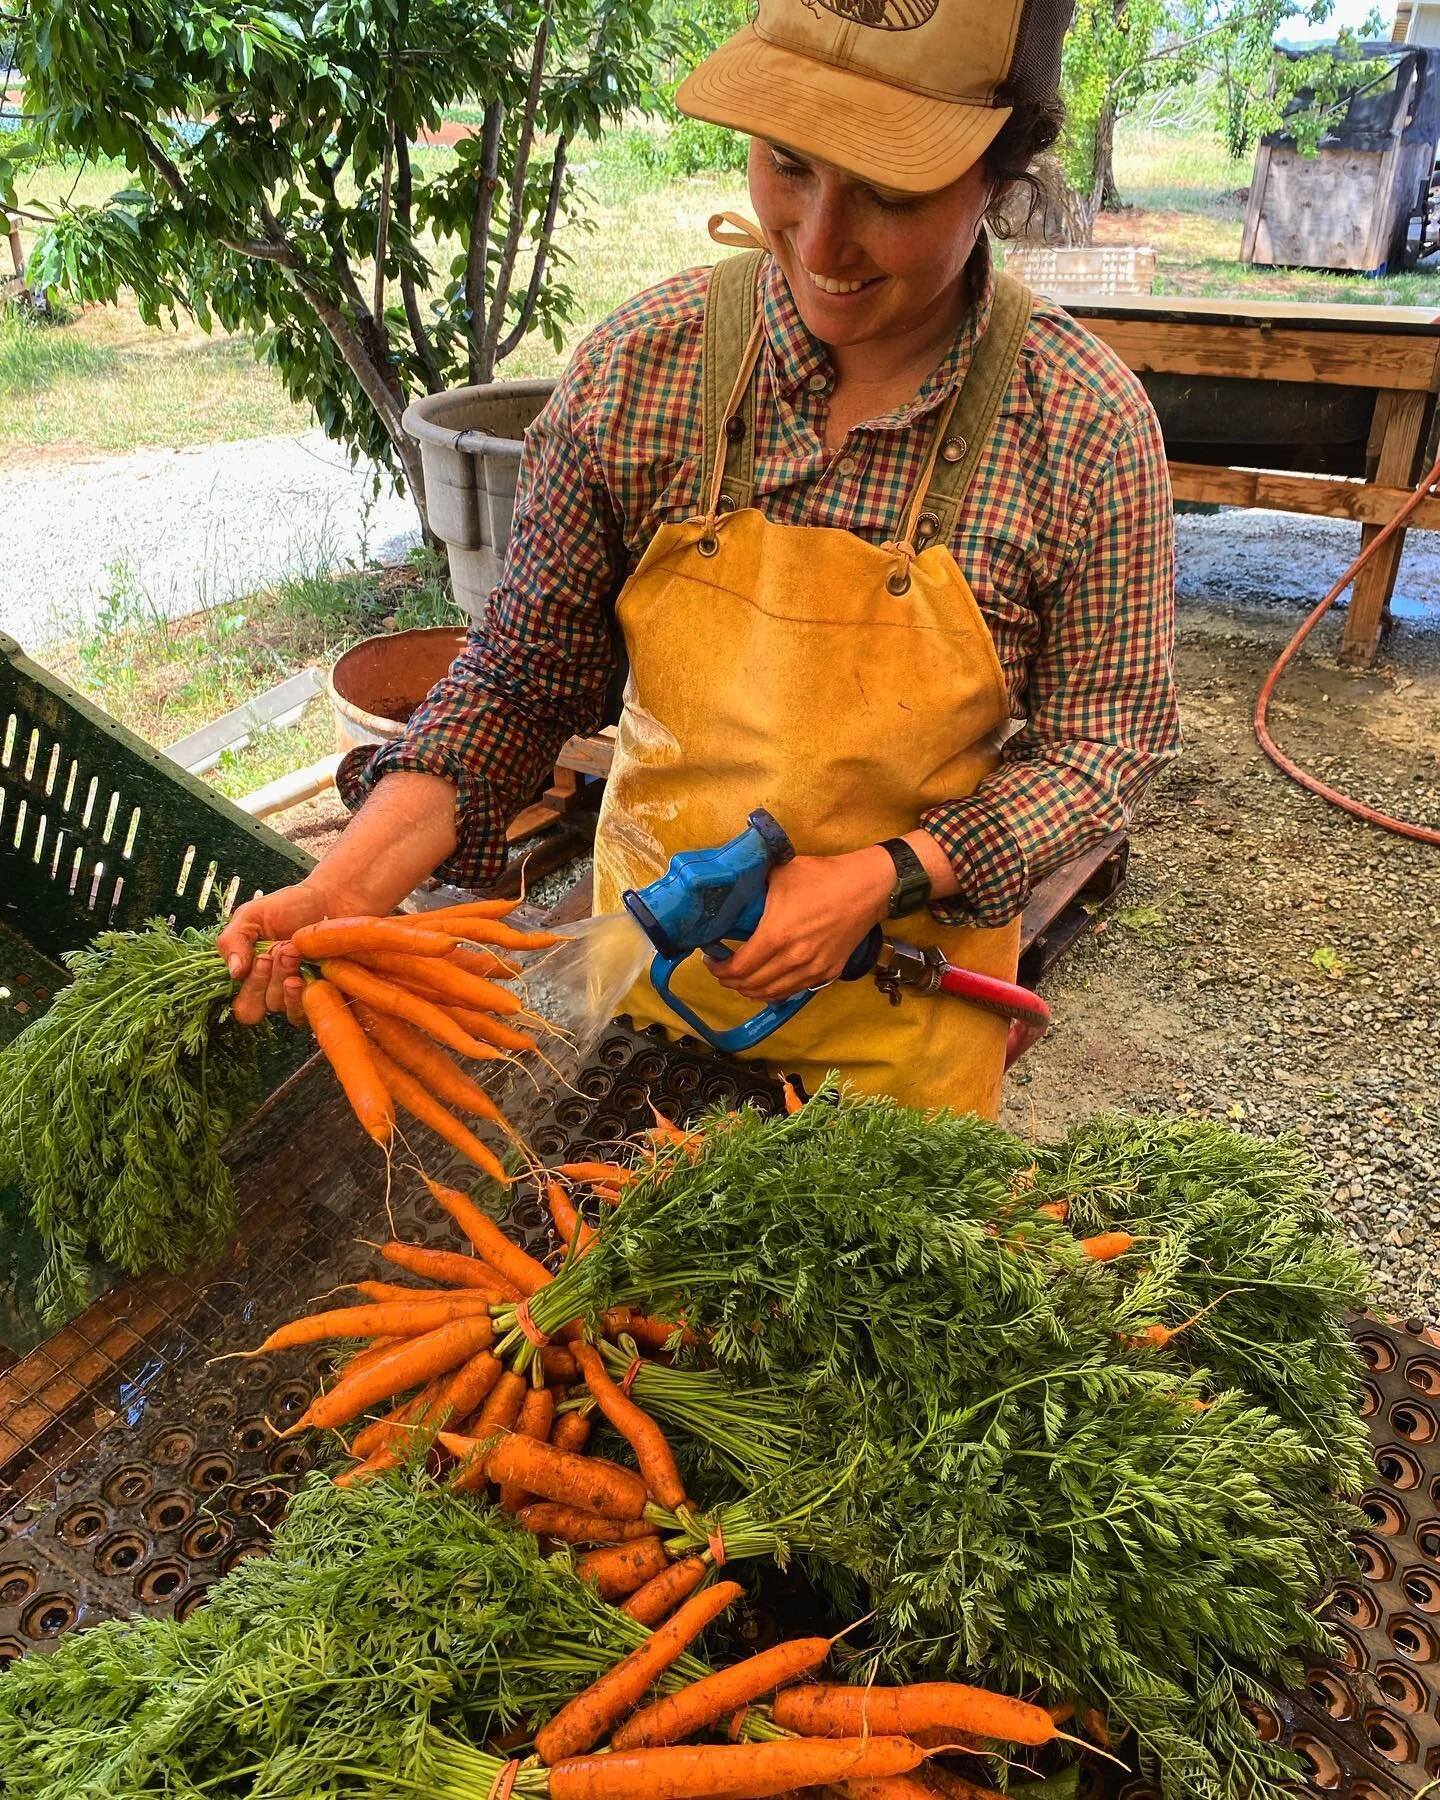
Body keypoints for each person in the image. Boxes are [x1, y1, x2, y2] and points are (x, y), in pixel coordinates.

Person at [218, 0, 1181, 1119]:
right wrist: (348, 884)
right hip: (645, 993)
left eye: (892, 191)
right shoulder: (644, 372)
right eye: (789, 165)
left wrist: (885, 875)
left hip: (901, 1031)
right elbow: (522, 678)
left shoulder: (1082, 424)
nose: (822, 244)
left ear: (1001, 176)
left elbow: (1103, 748)